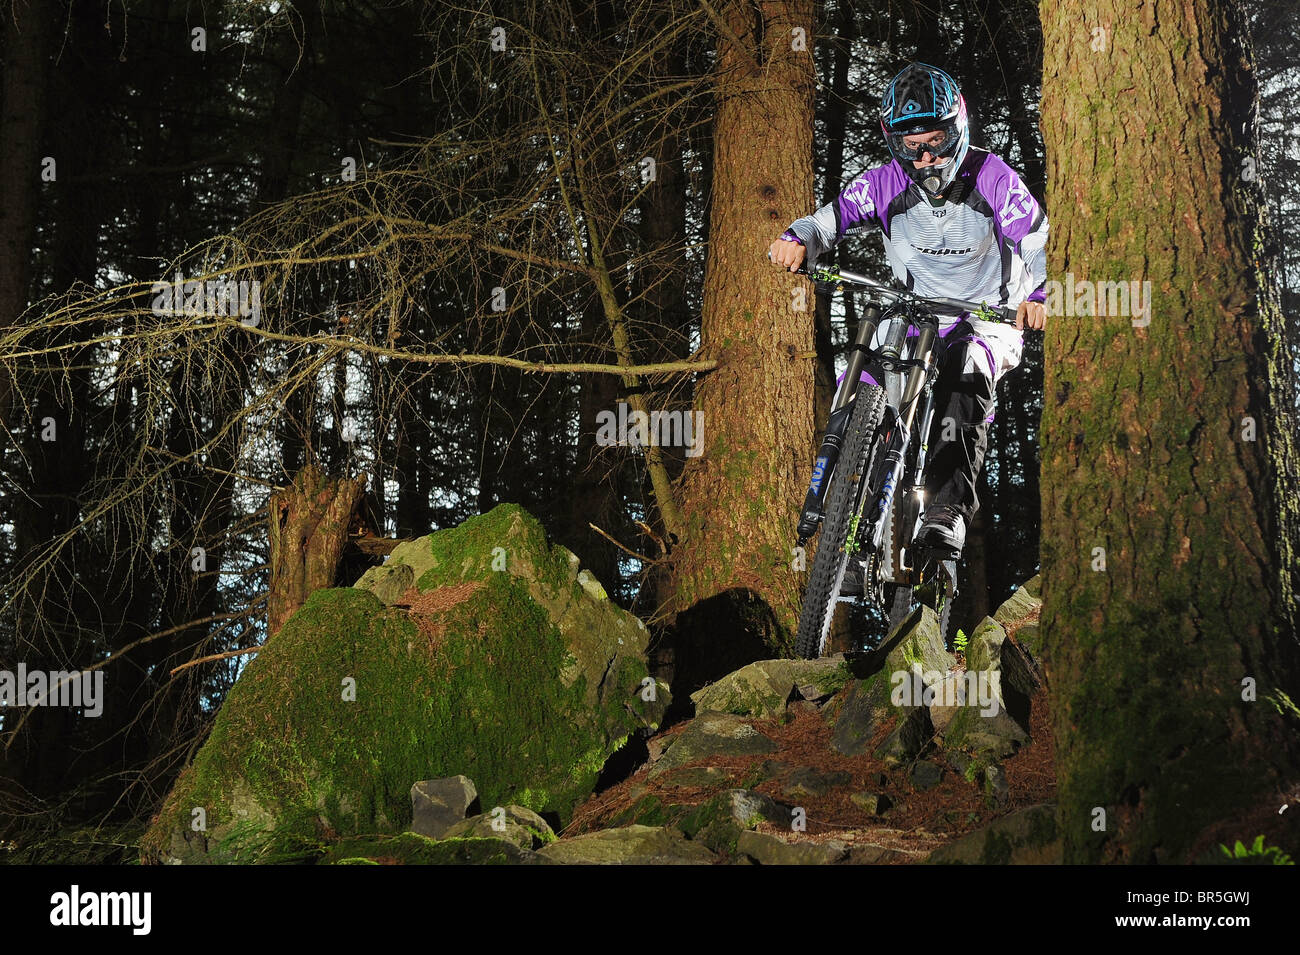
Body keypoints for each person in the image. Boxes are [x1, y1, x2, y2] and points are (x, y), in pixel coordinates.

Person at [769, 62, 1048, 557]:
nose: (924, 157)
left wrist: (1039, 295)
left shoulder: (993, 176)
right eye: (910, 146)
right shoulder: (882, 182)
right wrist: (798, 238)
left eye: (935, 141)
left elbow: (1035, 240)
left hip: (984, 314)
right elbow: (830, 218)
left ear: (958, 129)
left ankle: (946, 512)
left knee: (966, 376)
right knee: (869, 381)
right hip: (914, 312)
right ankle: (854, 511)